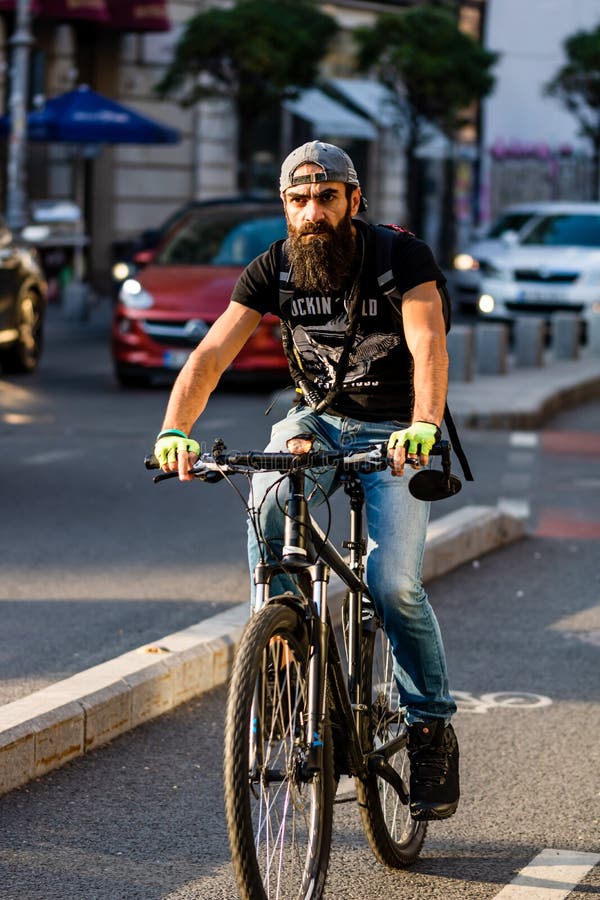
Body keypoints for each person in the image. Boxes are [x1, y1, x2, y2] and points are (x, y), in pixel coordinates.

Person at [153, 140, 459, 822]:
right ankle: (286, 643)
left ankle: (432, 728)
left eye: (326, 197)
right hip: (315, 422)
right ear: (285, 207)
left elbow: (428, 342)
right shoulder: (275, 268)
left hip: (396, 433)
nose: (312, 212)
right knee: (263, 498)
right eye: (298, 200)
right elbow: (211, 353)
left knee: (393, 585)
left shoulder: (398, 257)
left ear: (354, 200)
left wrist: (424, 423)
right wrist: (176, 429)